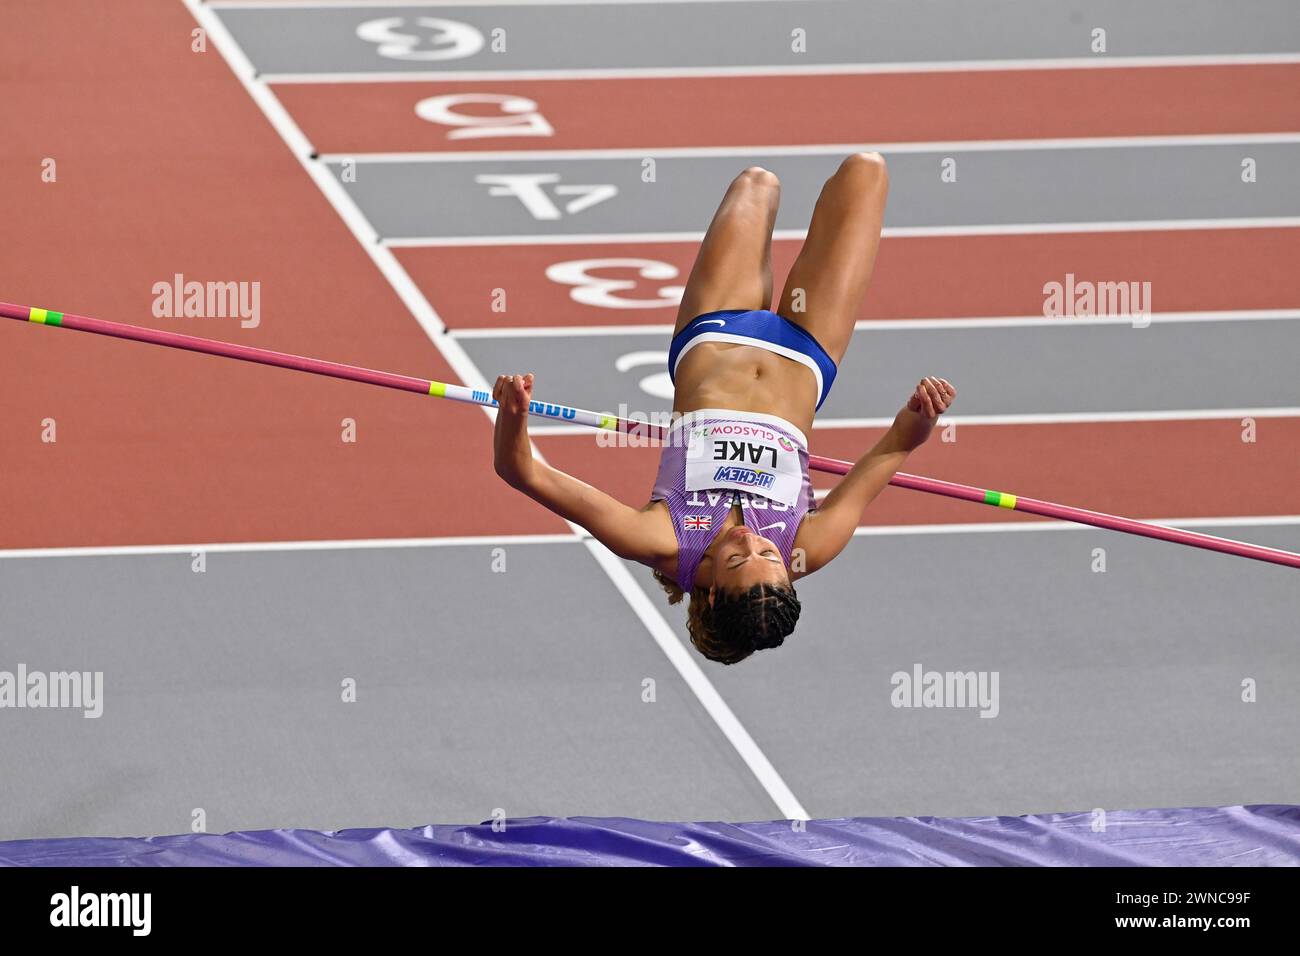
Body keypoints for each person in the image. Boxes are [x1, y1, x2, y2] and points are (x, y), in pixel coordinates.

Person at [493, 154, 955, 663]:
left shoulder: (659, 539)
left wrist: (513, 414)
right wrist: (915, 423)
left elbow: (522, 472)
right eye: (768, 555)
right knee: (866, 171)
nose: (752, 541)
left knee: (758, 183)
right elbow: (891, 451)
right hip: (807, 348)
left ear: (710, 593)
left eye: (739, 559)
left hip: (717, 332)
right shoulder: (808, 546)